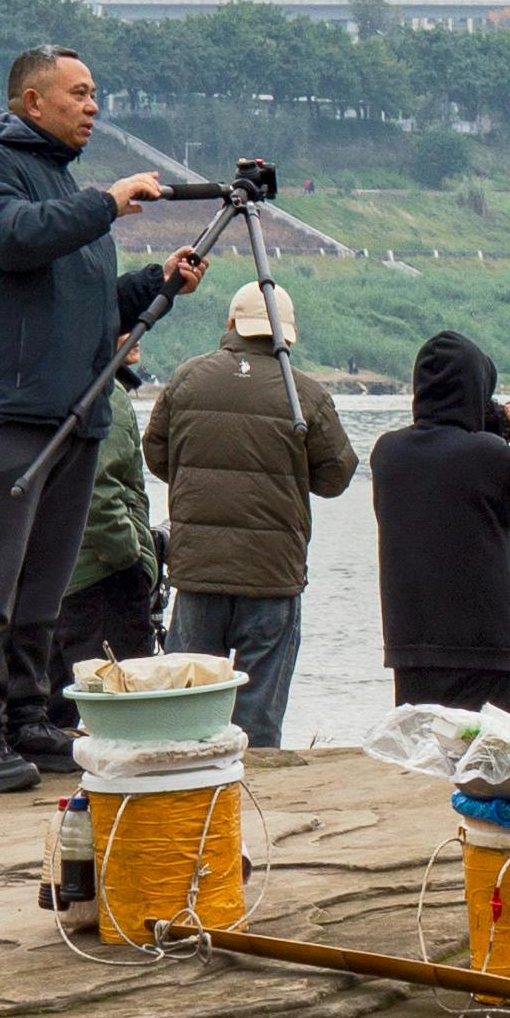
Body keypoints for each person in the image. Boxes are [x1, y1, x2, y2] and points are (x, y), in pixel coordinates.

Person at [0, 44, 205, 796]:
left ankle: (30, 713)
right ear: (33, 101)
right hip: (4, 410)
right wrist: (104, 203)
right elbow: (13, 239)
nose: (93, 106)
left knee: (45, 582)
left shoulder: (58, 184)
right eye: (80, 93)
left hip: (72, 410)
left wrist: (157, 281)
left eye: (95, 94)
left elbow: (84, 311)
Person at [145, 282, 357, 750]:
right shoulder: (306, 394)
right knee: (258, 713)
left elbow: (156, 455)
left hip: (199, 571)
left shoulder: (187, 378)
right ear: (288, 334)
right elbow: (337, 476)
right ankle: (256, 798)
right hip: (272, 574)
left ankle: (188, 793)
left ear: (231, 325)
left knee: (190, 706)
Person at [370, 327, 510, 712]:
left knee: (425, 754)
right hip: (483, 648)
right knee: (484, 754)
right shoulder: (489, 456)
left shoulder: (387, 453)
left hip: (412, 646)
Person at [66, 409, 167, 672]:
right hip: (104, 577)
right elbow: (99, 493)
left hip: (58, 578)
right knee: (125, 695)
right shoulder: (109, 397)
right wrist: (131, 561)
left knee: (59, 698)